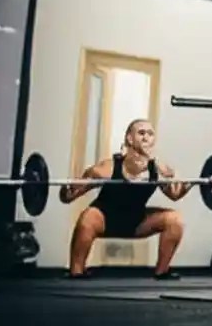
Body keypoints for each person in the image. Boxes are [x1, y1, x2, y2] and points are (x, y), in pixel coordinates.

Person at [61, 118, 192, 280]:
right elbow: (68, 197)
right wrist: (67, 190)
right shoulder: (108, 168)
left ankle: (162, 271)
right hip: (105, 220)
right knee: (88, 217)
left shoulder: (159, 169)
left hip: (136, 222)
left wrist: (188, 186)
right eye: (141, 133)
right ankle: (76, 272)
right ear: (130, 138)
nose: (146, 138)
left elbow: (175, 195)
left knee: (175, 219)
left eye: (150, 134)